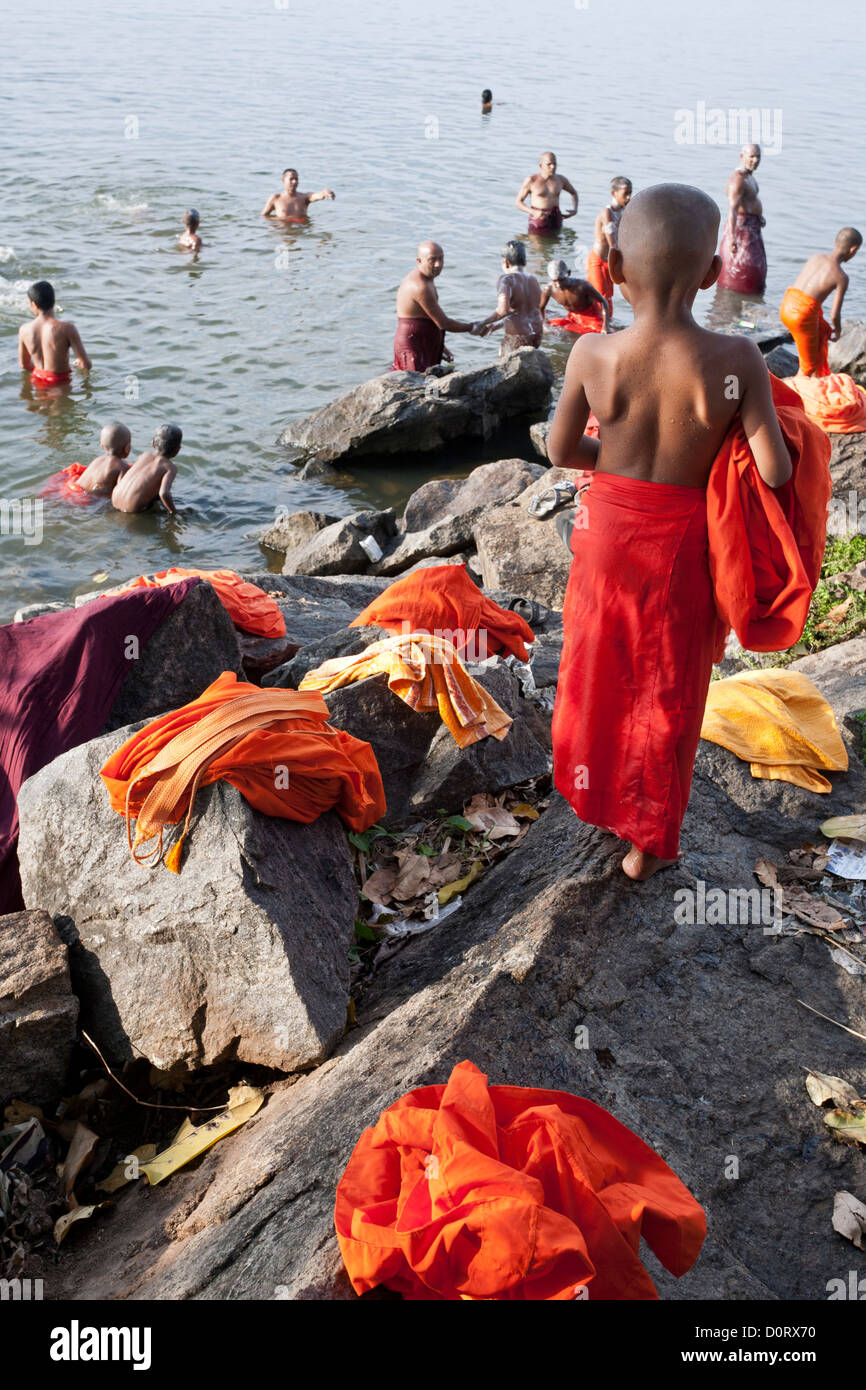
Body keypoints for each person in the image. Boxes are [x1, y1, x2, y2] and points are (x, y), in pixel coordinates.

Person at [547, 184, 792, 881]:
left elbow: (563, 450)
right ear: (715, 273)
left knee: (601, 661)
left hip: (606, 531)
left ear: (616, 267)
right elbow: (773, 472)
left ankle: (597, 793)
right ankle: (649, 843)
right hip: (683, 541)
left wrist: (619, 466)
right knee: (669, 683)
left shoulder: (593, 353)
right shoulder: (738, 359)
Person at [780, 228, 862, 376]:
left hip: (786, 306)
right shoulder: (841, 277)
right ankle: (795, 395)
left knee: (823, 329)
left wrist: (827, 329)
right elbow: (834, 315)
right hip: (801, 317)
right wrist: (837, 331)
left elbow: (804, 294)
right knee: (808, 367)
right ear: (853, 249)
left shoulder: (815, 257)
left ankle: (818, 378)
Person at [392, 241, 481, 371]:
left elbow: (428, 317)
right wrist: (472, 327)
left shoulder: (426, 278)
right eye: (432, 260)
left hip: (422, 342)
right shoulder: (420, 286)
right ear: (419, 261)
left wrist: (440, 346)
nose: (438, 264)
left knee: (428, 385)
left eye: (441, 258)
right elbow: (444, 323)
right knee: (417, 388)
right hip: (412, 346)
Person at [18, 281, 91, 388]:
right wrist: (79, 365)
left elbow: (24, 365)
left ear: (34, 304)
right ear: (53, 301)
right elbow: (86, 365)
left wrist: (43, 374)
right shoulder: (67, 328)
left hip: (37, 379)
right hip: (61, 383)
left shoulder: (24, 330)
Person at [474, 241, 543, 353]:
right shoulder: (533, 280)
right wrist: (497, 325)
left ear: (505, 262)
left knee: (503, 355)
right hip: (537, 335)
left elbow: (503, 311)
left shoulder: (506, 279)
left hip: (519, 337)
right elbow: (525, 312)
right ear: (524, 262)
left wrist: (481, 323)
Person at [718, 144, 766, 294]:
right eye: (751, 156)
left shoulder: (749, 177)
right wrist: (733, 238)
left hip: (752, 229)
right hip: (740, 231)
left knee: (756, 270)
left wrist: (758, 216)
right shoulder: (737, 181)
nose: (756, 160)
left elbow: (750, 202)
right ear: (742, 157)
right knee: (740, 270)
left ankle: (751, 302)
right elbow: (732, 209)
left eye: (758, 156)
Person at [587, 177, 632, 318]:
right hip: (598, 261)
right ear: (614, 194)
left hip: (610, 261)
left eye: (630, 193)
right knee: (601, 296)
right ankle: (599, 328)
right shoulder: (607, 213)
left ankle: (606, 325)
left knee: (608, 297)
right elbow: (612, 243)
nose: (629, 197)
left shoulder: (624, 211)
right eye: (626, 194)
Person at [111, 424, 181, 514]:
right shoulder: (170, 468)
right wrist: (173, 511)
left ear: (152, 443)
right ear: (177, 450)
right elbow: (164, 493)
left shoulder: (144, 455)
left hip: (115, 498)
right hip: (132, 509)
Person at [515, 152, 577, 236]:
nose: (553, 167)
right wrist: (533, 212)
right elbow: (518, 202)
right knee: (537, 246)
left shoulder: (561, 180)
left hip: (556, 217)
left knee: (555, 246)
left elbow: (573, 193)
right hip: (539, 218)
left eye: (555, 164)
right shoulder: (532, 180)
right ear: (541, 166)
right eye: (549, 164)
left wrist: (575, 210)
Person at [541, 258, 610, 332]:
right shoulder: (549, 289)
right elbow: (540, 308)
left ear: (569, 273)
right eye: (554, 281)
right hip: (572, 317)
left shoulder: (583, 286)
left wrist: (605, 326)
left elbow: (603, 301)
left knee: (603, 333)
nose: (558, 285)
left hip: (591, 317)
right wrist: (543, 323)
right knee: (549, 326)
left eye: (561, 280)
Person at [260, 168, 335, 223]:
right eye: (291, 179)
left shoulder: (304, 197)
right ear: (283, 180)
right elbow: (263, 217)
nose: (294, 181)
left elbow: (315, 196)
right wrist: (283, 219)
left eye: (296, 179)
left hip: (301, 232)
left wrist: (325, 193)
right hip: (283, 232)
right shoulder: (275, 198)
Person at [77, 423, 132, 497]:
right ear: (127, 448)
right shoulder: (123, 467)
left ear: (101, 445)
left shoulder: (96, 461)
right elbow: (122, 494)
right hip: (93, 503)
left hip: (76, 494)